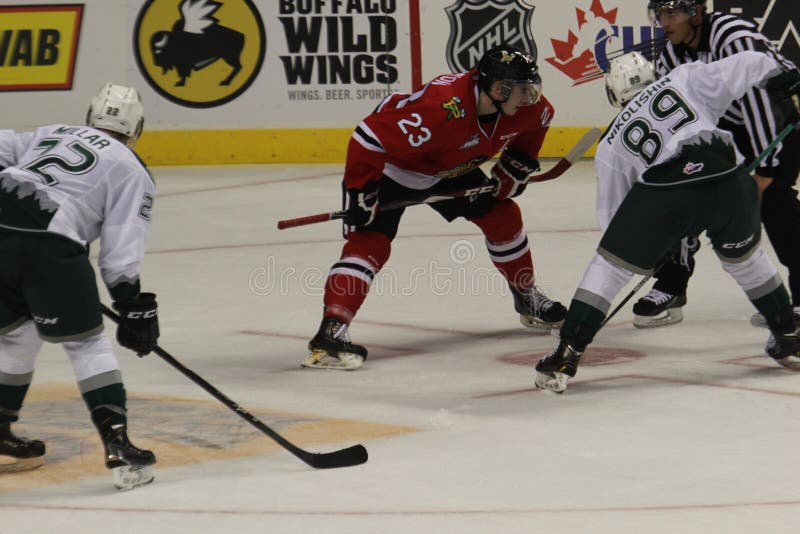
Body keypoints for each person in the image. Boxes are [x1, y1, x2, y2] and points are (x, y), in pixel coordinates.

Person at [534, 50, 800, 393]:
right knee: (746, 260)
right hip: (729, 175)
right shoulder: (683, 78)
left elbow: (613, 222)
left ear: (614, 94)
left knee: (610, 265)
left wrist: (656, 246)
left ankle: (567, 352)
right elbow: (746, 63)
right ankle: (788, 336)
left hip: (665, 191)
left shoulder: (611, 145)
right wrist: (781, 77)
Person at [302, 44, 567, 370]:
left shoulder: (527, 108)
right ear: (498, 88)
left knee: (503, 216)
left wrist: (516, 164)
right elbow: (369, 137)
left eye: (532, 87)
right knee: (371, 243)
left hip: (449, 165)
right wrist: (360, 193)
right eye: (522, 90)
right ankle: (332, 328)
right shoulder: (443, 108)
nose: (530, 96)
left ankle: (526, 297)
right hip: (392, 168)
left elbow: (540, 119)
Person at [0, 83, 160, 489]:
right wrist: (131, 303)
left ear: (91, 116)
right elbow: (120, 255)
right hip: (49, 247)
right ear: (136, 126)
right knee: (86, 344)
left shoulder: (47, 133)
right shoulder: (131, 167)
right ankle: (118, 445)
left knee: (17, 336)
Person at [630, 0, 800, 328]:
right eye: (659, 14)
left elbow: (760, 103)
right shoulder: (673, 53)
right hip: (735, 127)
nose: (663, 22)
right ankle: (672, 284)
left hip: (783, 120)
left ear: (695, 12)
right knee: (680, 187)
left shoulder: (731, 37)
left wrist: (764, 172)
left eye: (671, 14)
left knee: (775, 201)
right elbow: (675, 119)